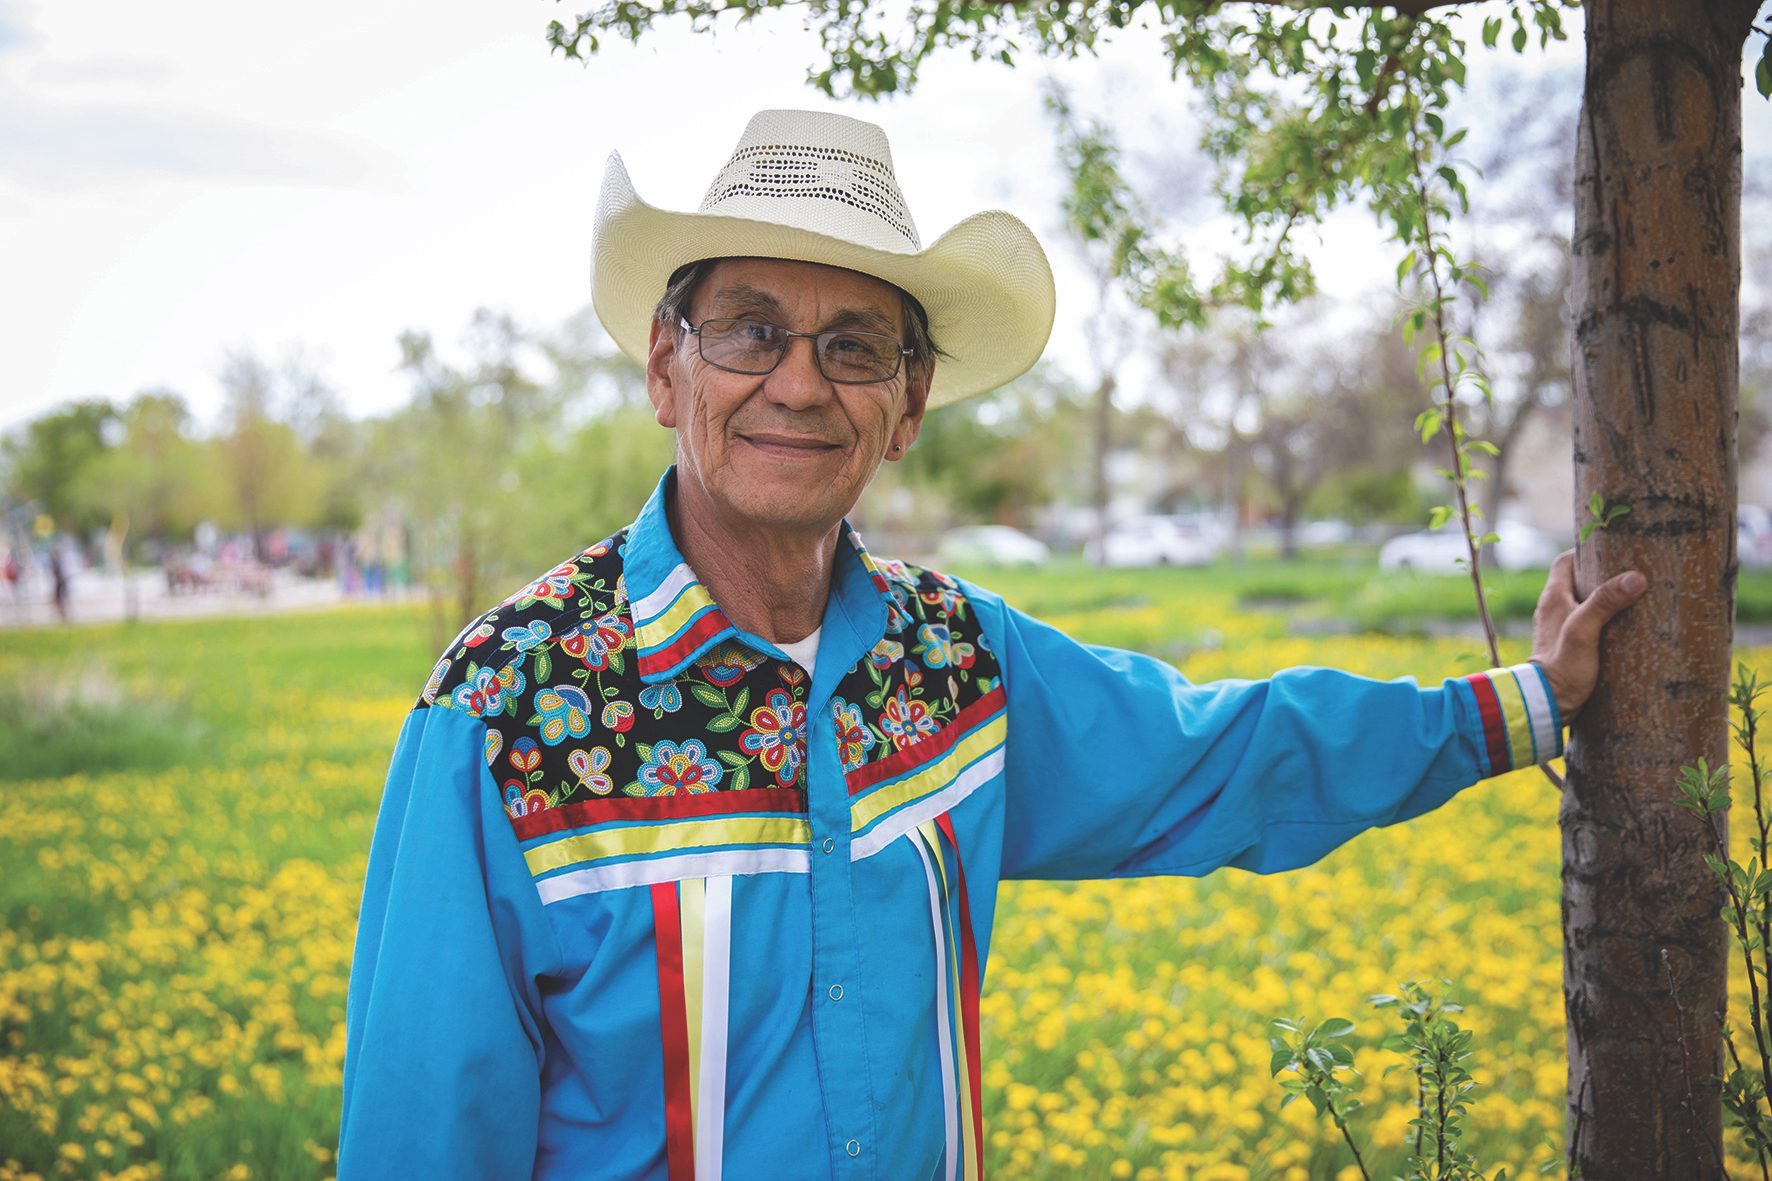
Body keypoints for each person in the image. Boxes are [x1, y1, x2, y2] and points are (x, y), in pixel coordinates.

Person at [338, 110, 1645, 1179]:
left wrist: (1526, 702)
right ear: (665, 373)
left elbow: (1231, 751)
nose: (800, 381)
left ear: (905, 408)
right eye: (749, 328)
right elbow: (422, 1137)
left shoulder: (954, 661)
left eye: (855, 345)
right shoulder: (508, 707)